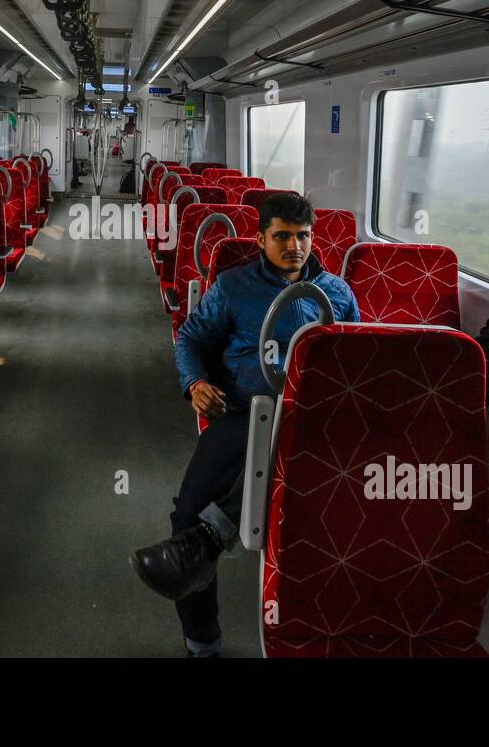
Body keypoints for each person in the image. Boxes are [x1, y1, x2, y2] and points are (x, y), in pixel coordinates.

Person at [130, 192, 360, 657]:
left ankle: (211, 538)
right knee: (185, 515)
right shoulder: (234, 287)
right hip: (243, 413)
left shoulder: (338, 294)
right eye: (282, 237)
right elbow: (191, 339)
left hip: (314, 420)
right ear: (260, 238)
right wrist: (195, 383)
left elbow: (356, 358)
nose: (294, 246)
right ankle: (202, 643)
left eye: (303, 237)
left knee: (287, 482)